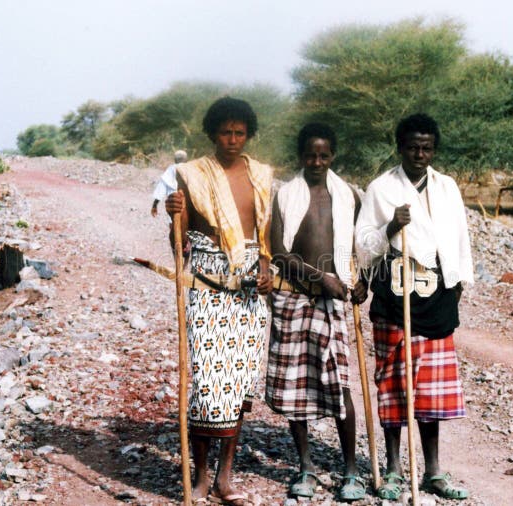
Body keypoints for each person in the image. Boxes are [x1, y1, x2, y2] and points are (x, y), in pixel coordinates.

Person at [354, 113, 474, 501]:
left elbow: (459, 239)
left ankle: (433, 472)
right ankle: (392, 469)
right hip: (393, 294)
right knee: (393, 384)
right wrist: (390, 226)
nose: (420, 154)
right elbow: (363, 247)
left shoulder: (447, 187)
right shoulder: (381, 188)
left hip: (437, 294)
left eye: (427, 148)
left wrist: (456, 288)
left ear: (434, 149)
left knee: (430, 391)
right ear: (399, 147)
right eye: (412, 147)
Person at [166, 97, 274, 506]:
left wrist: (265, 269)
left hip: (249, 294)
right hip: (208, 286)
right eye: (225, 132)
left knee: (238, 387)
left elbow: (266, 239)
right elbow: (180, 247)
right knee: (209, 386)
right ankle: (201, 475)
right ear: (213, 133)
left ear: (248, 135)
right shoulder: (190, 175)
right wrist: (174, 215)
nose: (232, 139)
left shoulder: (261, 175)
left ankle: (226, 477)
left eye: (239, 132)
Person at [265, 123, 368, 501]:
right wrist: (318, 276)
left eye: (324, 155)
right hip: (294, 297)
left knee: (339, 385)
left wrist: (362, 283)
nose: (316, 162)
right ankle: (306, 468)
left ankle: (352, 471)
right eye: (310, 155)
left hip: (334, 301)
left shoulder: (348, 196)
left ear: (333, 156)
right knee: (296, 385)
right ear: (300, 156)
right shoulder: (286, 195)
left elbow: (360, 247)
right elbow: (277, 251)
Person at [151, 149, 188, 218]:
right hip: (187, 206)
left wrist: (154, 205)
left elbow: (160, 191)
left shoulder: (170, 170)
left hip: (173, 204)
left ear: (175, 160)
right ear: (186, 160)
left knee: (173, 224)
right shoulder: (190, 169)